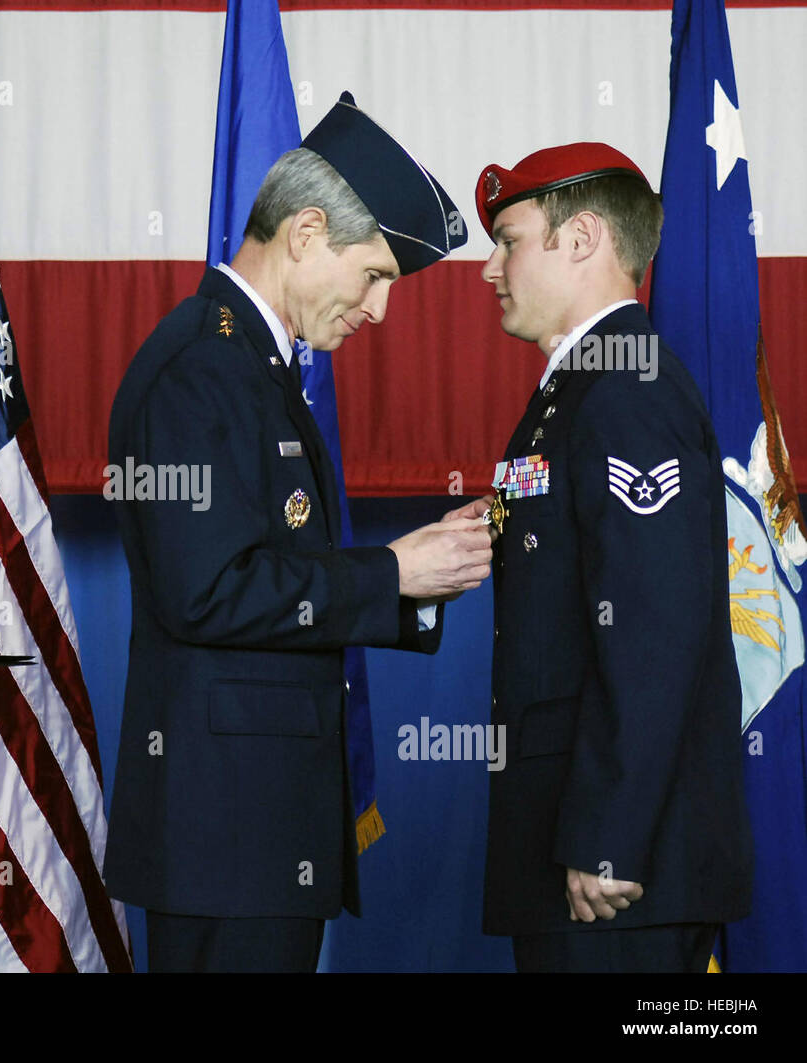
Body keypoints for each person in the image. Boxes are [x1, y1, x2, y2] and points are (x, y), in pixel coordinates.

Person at [104, 94, 494, 973]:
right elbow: (206, 592)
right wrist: (391, 572)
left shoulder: (254, 362)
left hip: (256, 836)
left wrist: (423, 577)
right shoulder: (202, 369)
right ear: (308, 232)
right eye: (377, 276)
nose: (381, 311)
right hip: (222, 841)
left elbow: (278, 572)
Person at [475, 143, 754, 972]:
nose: (491, 269)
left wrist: (608, 834)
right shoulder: (579, 388)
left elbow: (654, 629)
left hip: (620, 874)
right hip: (579, 852)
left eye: (510, 239)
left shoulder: (627, 390)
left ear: (584, 237)